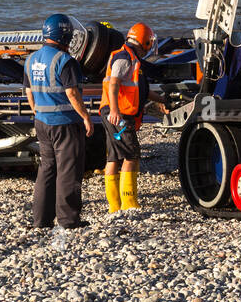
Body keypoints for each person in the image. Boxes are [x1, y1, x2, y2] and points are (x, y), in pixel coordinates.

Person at [24, 13, 93, 228]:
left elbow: (28, 92)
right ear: (65, 35)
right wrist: (86, 117)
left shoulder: (31, 59)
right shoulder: (65, 61)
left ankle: (41, 220)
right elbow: (72, 94)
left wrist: (37, 111)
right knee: (68, 171)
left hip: (42, 122)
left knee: (47, 170)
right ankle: (68, 220)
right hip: (65, 123)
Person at [102, 22, 167, 213]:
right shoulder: (125, 58)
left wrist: (160, 99)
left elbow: (139, 90)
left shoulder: (130, 58)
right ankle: (129, 203)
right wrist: (115, 111)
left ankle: (115, 206)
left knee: (114, 157)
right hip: (119, 115)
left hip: (113, 113)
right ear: (144, 41)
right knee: (131, 155)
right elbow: (114, 85)